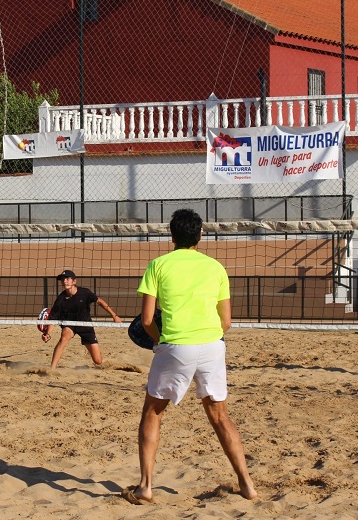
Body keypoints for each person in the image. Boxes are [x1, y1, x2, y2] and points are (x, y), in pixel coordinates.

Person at [122, 208, 257, 505]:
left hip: (175, 346)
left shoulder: (158, 265)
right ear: (200, 235)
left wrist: (160, 343)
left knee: (153, 412)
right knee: (220, 416)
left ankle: (145, 487)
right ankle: (247, 485)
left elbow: (146, 321)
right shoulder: (216, 267)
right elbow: (226, 322)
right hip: (211, 345)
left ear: (172, 236)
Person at [41, 269, 122, 369]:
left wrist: (114, 316)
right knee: (64, 337)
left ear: (74, 281)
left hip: (86, 325)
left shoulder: (85, 293)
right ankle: (52, 369)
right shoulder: (60, 299)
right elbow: (52, 320)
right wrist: (47, 334)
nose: (64, 281)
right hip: (70, 324)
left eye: (67, 279)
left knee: (98, 361)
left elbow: (100, 301)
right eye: (62, 279)